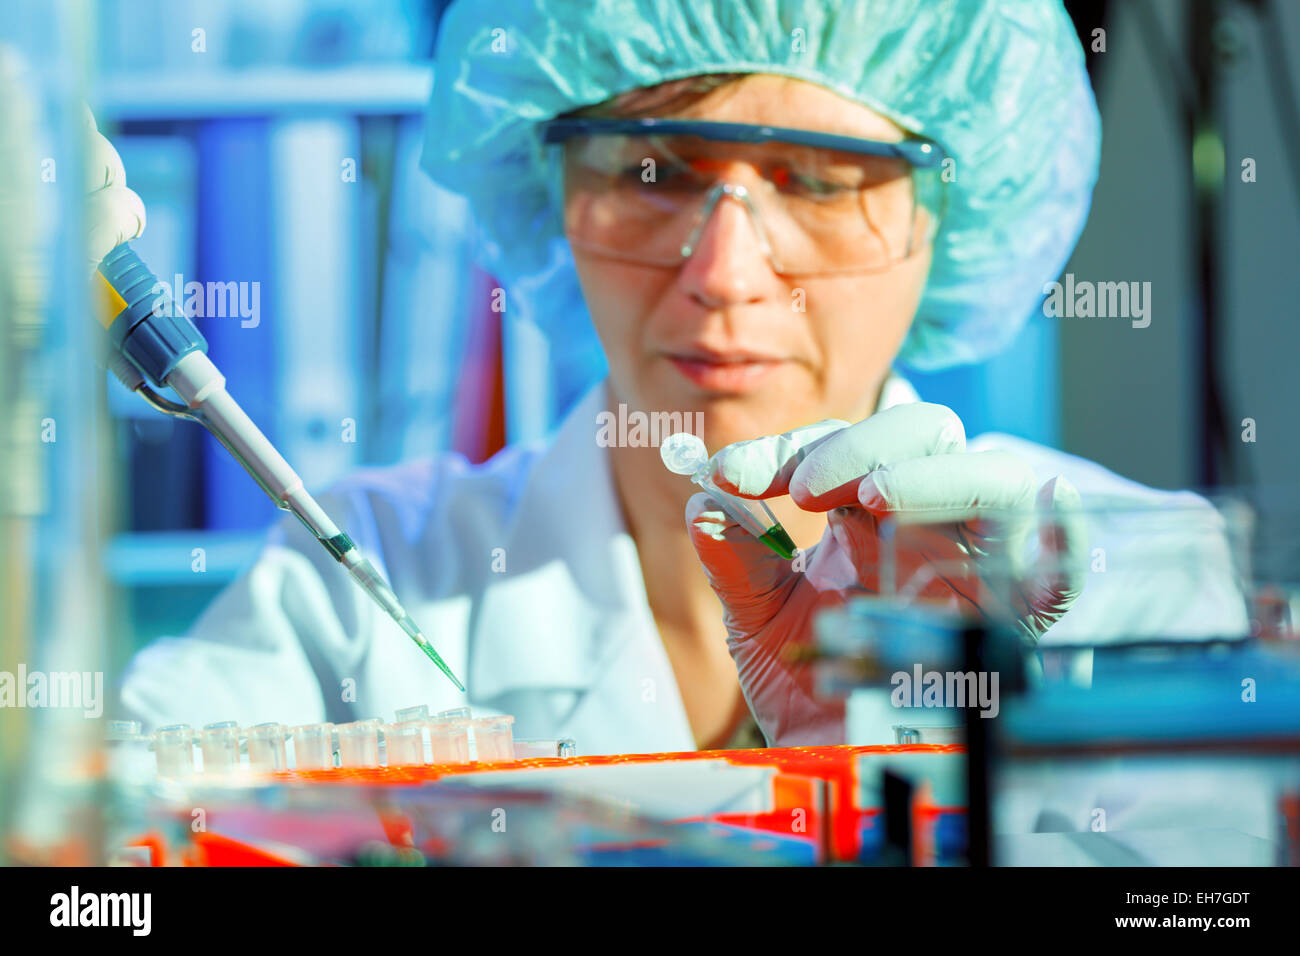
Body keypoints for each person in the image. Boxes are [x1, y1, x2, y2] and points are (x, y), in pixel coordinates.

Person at [111, 0, 1246, 753]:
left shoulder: (1134, 582)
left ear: (948, 219)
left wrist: (922, 780)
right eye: (652, 172)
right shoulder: (364, 584)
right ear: (547, 191)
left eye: (815, 179)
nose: (722, 272)